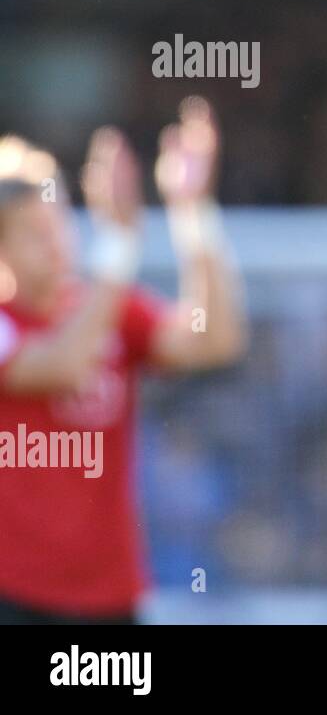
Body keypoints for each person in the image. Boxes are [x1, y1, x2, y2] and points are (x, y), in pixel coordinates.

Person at [0, 97, 247, 624]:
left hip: (111, 598)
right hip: (15, 594)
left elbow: (216, 339)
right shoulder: (20, 320)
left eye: (57, 222)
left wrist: (192, 213)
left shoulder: (105, 305)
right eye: (33, 232)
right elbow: (63, 364)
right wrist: (119, 241)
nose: (54, 241)